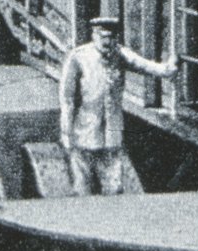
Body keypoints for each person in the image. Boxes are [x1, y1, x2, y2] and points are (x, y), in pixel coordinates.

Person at [59, 15, 178, 196]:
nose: (107, 42)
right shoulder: (79, 57)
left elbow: (144, 65)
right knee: (82, 185)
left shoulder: (120, 54)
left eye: (111, 38)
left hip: (112, 131)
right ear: (94, 35)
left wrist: (167, 69)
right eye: (103, 37)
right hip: (85, 130)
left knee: (114, 186)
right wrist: (66, 131)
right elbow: (67, 98)